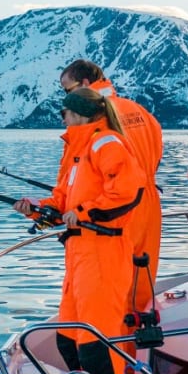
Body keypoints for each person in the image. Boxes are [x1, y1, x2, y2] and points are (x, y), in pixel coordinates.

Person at [13, 87, 147, 374]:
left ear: (78, 114)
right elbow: (62, 201)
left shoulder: (106, 143)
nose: (62, 120)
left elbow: (128, 191)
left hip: (103, 254)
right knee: (67, 339)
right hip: (79, 253)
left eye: (64, 114)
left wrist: (85, 212)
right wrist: (35, 210)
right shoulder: (77, 152)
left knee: (95, 343)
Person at [60, 60, 164, 315]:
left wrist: (72, 205)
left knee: (108, 291)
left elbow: (70, 174)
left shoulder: (91, 120)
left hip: (109, 208)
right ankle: (135, 348)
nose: (66, 99)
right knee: (140, 284)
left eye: (66, 90)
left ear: (84, 84)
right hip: (148, 204)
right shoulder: (139, 110)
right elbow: (157, 154)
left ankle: (111, 349)